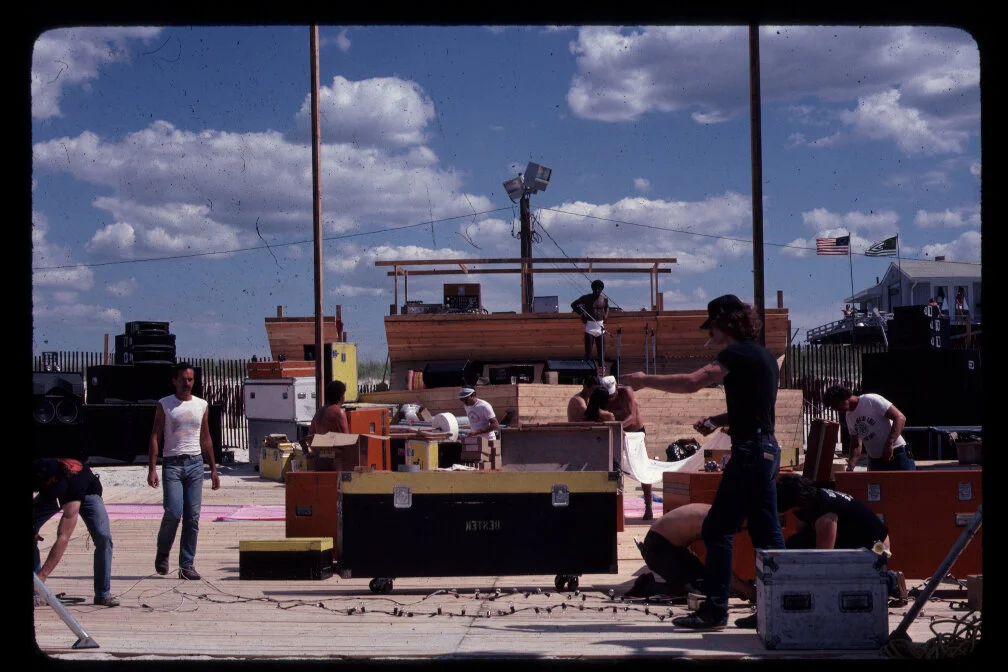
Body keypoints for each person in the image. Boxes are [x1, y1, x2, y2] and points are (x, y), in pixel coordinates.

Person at [621, 294, 784, 629]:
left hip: (750, 451)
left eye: (714, 327)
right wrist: (719, 418)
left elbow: (694, 382)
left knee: (717, 528)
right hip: (767, 449)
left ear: (726, 322)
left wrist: (644, 380)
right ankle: (778, 607)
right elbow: (757, 409)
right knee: (768, 533)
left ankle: (715, 609)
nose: (712, 336)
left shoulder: (735, 354)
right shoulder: (764, 356)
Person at [775, 474, 907, 600]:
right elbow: (801, 538)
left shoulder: (825, 512)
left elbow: (824, 557)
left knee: (837, 577)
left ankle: (889, 580)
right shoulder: (812, 498)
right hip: (857, 539)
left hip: (877, 547)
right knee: (796, 544)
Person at [148, 362, 221, 581]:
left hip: (195, 464)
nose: (187, 384)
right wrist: (152, 467)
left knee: (193, 517)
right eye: (183, 380)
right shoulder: (165, 404)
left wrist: (214, 469)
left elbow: (206, 438)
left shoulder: (201, 405)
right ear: (175, 381)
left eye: (190, 380)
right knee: (173, 512)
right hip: (172, 464)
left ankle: (186, 565)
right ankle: (163, 552)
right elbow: (155, 435)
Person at [33, 458, 119, 607]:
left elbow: (64, 537)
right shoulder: (40, 469)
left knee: (103, 537)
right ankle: (36, 593)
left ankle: (102, 594)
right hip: (55, 487)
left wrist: (42, 575)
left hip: (87, 494)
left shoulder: (72, 488)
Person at [628, 503, 756, 602]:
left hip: (673, 547)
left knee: (704, 584)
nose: (740, 532)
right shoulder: (718, 523)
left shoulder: (720, 511)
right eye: (743, 528)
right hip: (657, 549)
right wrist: (747, 590)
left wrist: (739, 587)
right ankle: (646, 586)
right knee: (689, 593)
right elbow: (720, 566)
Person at [822, 384, 916, 472]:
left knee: (906, 488)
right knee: (875, 489)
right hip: (875, 461)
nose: (836, 410)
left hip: (897, 454)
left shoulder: (870, 400)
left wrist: (889, 444)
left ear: (843, 398)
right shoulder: (849, 416)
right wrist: (850, 468)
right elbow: (856, 444)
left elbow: (900, 418)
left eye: (835, 406)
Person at [603, 374, 653, 521]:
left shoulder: (627, 392)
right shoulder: (604, 397)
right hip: (619, 433)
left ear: (617, 388)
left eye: (612, 395)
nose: (611, 398)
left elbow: (632, 416)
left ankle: (648, 505)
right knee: (614, 467)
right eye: (608, 396)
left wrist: (618, 427)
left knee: (644, 468)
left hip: (635, 433)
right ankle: (615, 506)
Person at [571, 279, 609, 370]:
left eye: (599, 289)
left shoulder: (604, 299)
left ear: (601, 289)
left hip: (600, 326)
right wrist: (581, 313)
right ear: (592, 289)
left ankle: (601, 374)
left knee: (601, 353)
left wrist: (606, 316)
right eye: (595, 289)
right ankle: (587, 372)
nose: (597, 290)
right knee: (588, 352)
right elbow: (573, 305)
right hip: (590, 326)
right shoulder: (586, 298)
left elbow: (607, 307)